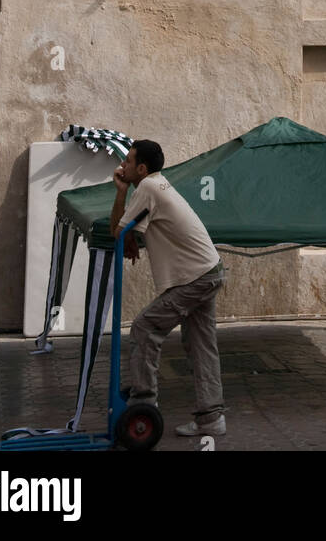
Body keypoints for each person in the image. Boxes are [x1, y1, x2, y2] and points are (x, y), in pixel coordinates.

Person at [110, 139, 226, 445]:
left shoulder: (146, 188)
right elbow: (133, 234)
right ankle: (211, 419)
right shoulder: (155, 186)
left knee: (144, 328)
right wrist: (131, 235)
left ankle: (143, 406)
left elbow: (117, 233)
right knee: (201, 345)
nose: (123, 165)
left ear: (142, 168)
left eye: (129, 160)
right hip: (208, 271)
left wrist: (120, 192)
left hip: (196, 278)